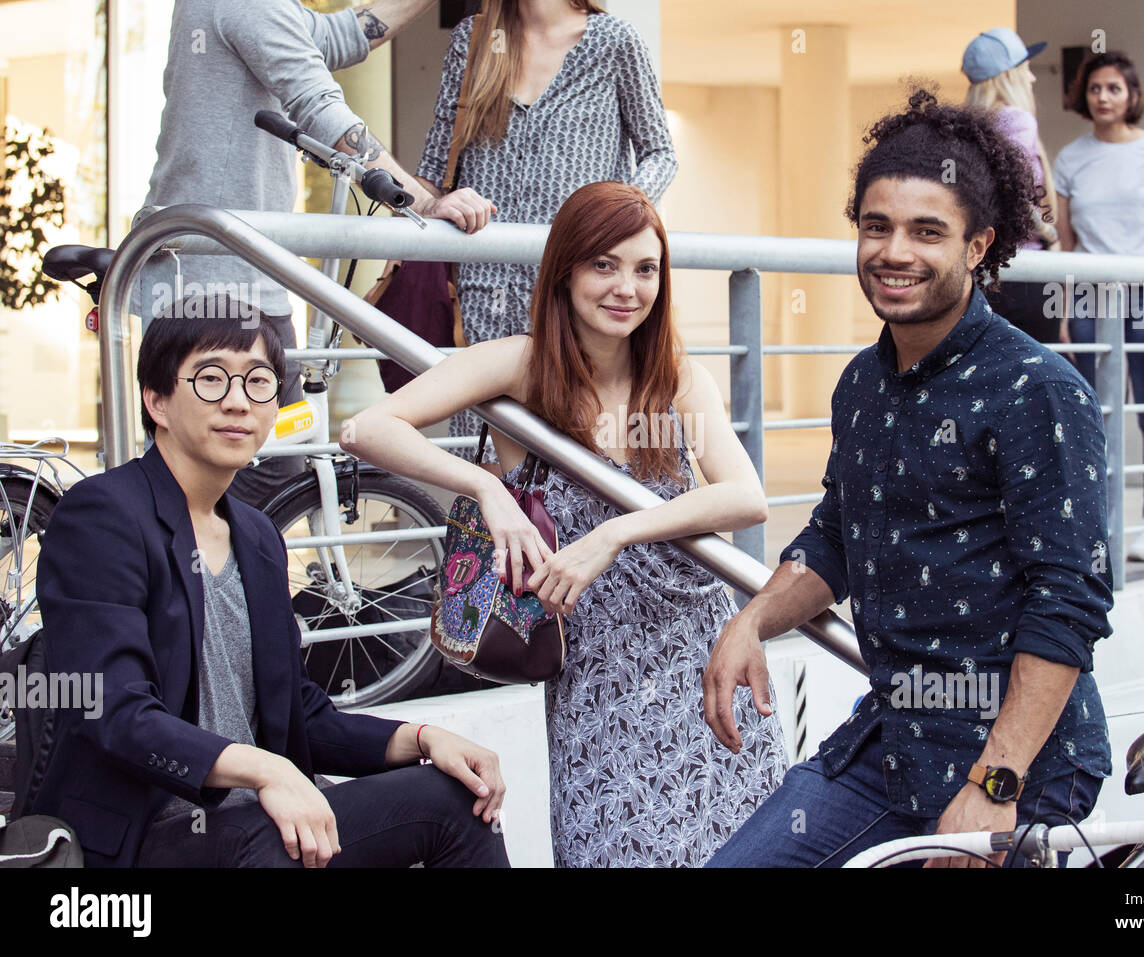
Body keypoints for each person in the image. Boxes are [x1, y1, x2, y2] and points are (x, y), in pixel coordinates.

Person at [703, 90, 1113, 869]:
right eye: (876, 226)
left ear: (978, 244)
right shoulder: (862, 383)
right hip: (894, 740)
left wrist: (995, 782)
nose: (895, 251)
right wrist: (750, 620)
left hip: (1022, 764)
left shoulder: (1038, 388)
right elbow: (836, 536)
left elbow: (1068, 600)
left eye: (928, 231)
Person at [342, 181, 786, 867]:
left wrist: (613, 534)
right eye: (604, 265)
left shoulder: (675, 378)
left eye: (645, 268)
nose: (626, 288)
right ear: (566, 271)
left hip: (699, 663)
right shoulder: (522, 367)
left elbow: (745, 497)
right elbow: (367, 428)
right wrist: (485, 485)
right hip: (597, 683)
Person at [30, 304, 509, 868]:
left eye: (258, 382)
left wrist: (424, 737)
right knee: (288, 839)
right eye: (211, 378)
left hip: (251, 828)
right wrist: (266, 770)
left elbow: (301, 713)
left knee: (459, 795)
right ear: (156, 401)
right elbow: (113, 712)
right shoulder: (103, 515)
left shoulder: (256, 535)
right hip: (143, 839)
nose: (238, 401)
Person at [137, 0, 478, 505]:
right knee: (248, 476)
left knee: (248, 473)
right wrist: (422, 201)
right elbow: (318, 105)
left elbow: (338, 36)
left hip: (222, 273)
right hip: (220, 282)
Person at [413, 0, 677, 460]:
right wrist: (436, 203)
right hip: (485, 295)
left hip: (579, 295)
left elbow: (660, 153)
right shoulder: (474, 40)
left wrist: (616, 220)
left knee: (579, 453)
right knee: (484, 456)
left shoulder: (614, 41)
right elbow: (433, 171)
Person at [1054, 51, 1144, 563]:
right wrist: (1064, 311)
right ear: (1083, 96)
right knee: (1092, 412)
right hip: (1091, 297)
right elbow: (1066, 243)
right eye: (1094, 88)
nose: (1103, 97)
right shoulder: (1071, 158)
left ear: (1131, 95)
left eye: (1114, 88)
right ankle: (1099, 525)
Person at [963, 27, 1062, 343]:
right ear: (1008, 76)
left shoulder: (966, 127)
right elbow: (1013, 193)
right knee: (1035, 366)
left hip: (980, 274)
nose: (1031, 78)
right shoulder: (1017, 120)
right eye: (1025, 69)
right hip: (1024, 272)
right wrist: (1050, 235)